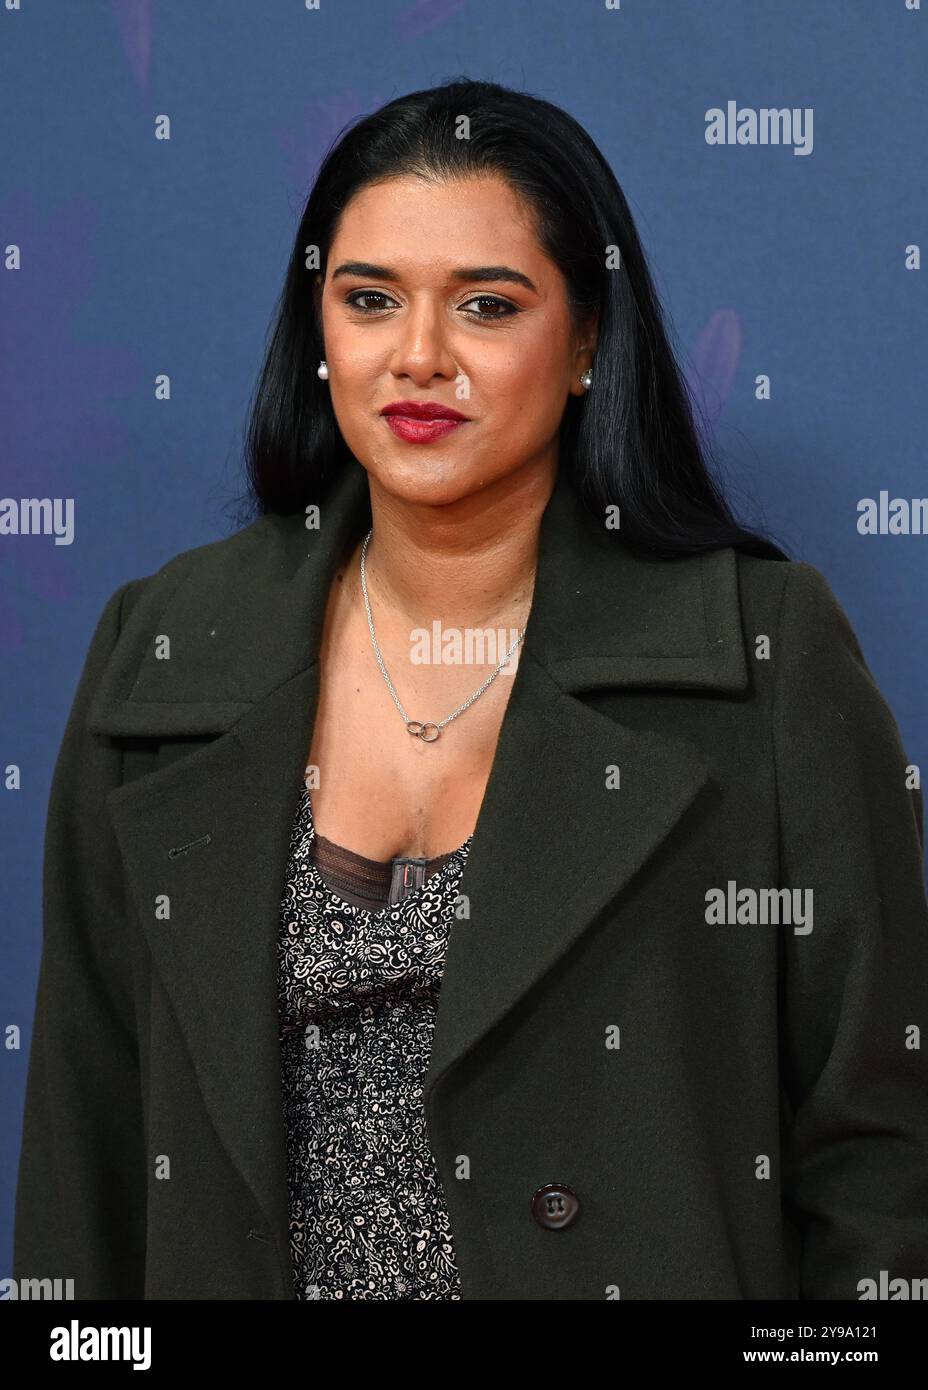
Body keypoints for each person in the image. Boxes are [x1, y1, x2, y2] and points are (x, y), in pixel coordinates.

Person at [13, 78, 928, 1301]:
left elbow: (875, 1145)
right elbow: (86, 1148)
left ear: (587, 343)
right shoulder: (165, 650)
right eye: (369, 299)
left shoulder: (763, 655)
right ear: (319, 329)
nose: (418, 358)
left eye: (486, 306)